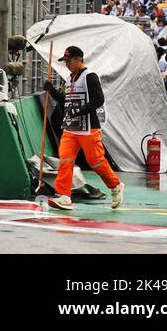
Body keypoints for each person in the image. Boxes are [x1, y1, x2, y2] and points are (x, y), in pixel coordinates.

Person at [45, 46, 124, 210]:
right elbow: (66, 102)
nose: (67, 65)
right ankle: (64, 196)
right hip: (70, 128)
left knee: (95, 162)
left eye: (69, 61)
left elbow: (99, 100)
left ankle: (115, 185)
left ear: (78, 60)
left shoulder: (90, 77)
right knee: (65, 160)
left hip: (88, 128)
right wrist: (52, 91)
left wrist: (79, 111)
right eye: (65, 61)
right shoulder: (69, 79)